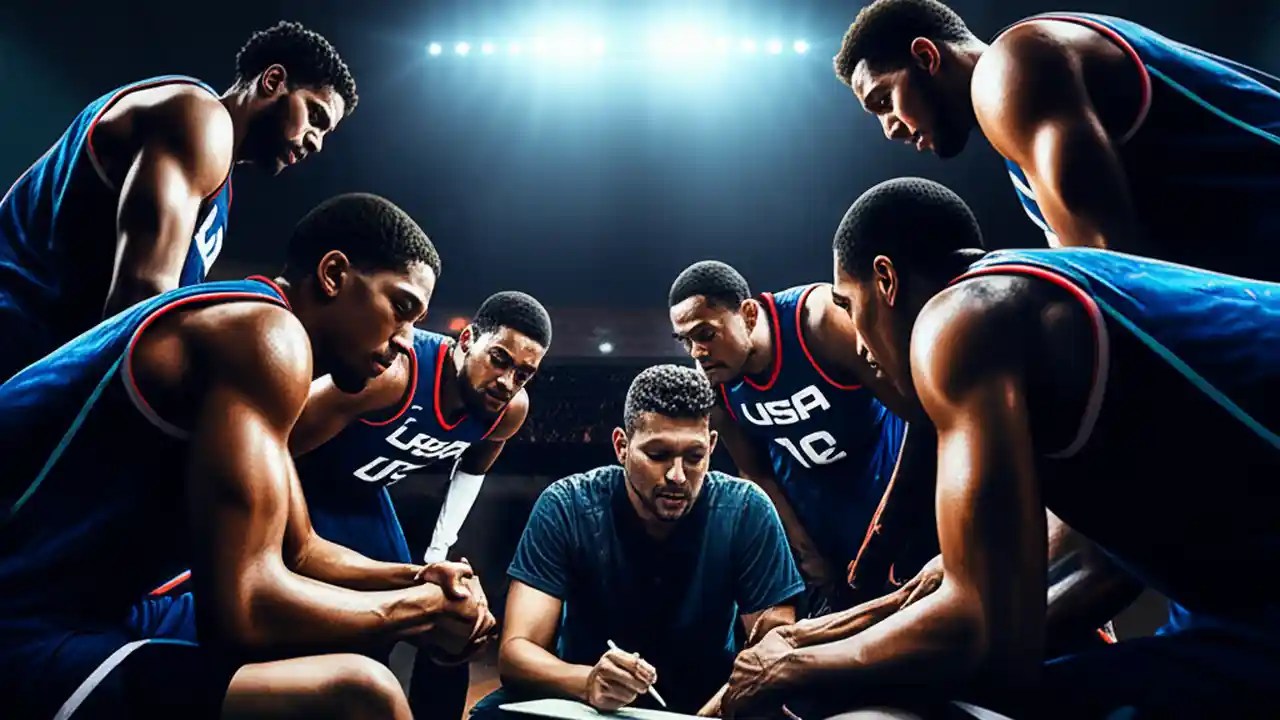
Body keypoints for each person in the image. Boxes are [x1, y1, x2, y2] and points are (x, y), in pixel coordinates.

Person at [721, 177, 1280, 719]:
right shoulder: (1041, 312)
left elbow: (991, 635)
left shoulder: (961, 319)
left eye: (849, 305)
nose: (859, 343)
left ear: (886, 280)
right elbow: (1089, 568)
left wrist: (795, 668)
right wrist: (816, 636)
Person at [0, 193, 496, 719]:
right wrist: (418, 612)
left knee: (333, 637)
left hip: (96, 606)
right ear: (333, 275)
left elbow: (301, 551)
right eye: (400, 308)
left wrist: (423, 581)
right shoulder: (264, 337)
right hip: (25, 620)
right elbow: (245, 612)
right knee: (362, 693)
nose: (406, 342)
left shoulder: (257, 331)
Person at [0, 20, 357, 380]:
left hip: (32, 363)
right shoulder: (198, 117)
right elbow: (139, 302)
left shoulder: (217, 188)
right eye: (314, 116)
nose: (316, 142)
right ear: (273, 81)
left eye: (325, 132)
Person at [832, 0, 1280, 280]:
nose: (890, 128)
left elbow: (1115, 279)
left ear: (926, 56)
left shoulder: (1013, 65)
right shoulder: (1023, 126)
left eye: (884, 100)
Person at [470, 365, 806, 719]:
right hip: (587, 703)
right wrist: (587, 681)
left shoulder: (746, 509)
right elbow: (517, 652)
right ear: (622, 446)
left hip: (708, 701)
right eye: (658, 455)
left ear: (711, 446)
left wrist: (711, 714)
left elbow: (773, 651)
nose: (677, 476)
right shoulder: (566, 505)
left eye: (694, 457)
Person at [294, 290, 551, 720]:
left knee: (447, 620)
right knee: (325, 615)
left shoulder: (507, 410)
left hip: (362, 498)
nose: (507, 382)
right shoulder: (395, 373)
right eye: (499, 359)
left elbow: (471, 473)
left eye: (523, 374)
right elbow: (275, 439)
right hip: (299, 482)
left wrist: (437, 554)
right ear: (467, 339)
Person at [668, 261, 925, 614]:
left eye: (705, 334)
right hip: (820, 526)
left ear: (748, 314)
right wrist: (809, 557)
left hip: (890, 495)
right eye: (686, 341)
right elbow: (756, 474)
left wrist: (892, 526)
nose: (696, 352)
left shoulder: (820, 321)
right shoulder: (715, 383)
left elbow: (916, 413)